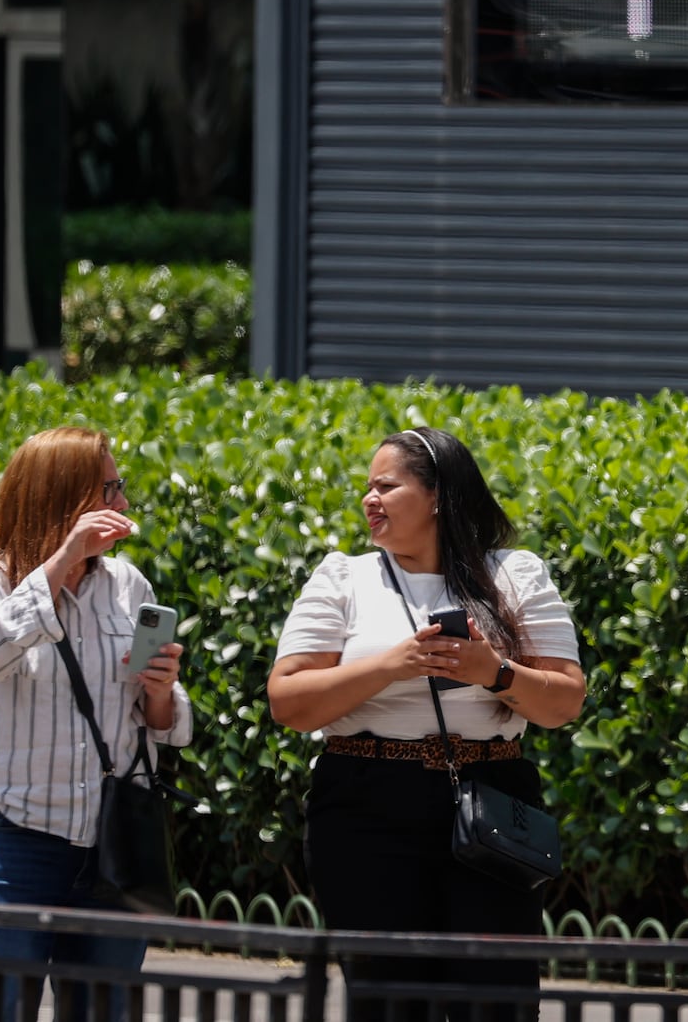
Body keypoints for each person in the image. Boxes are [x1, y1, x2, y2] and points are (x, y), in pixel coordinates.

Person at [268, 426, 586, 1022]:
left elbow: (565, 702)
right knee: (388, 1001)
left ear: (437, 495)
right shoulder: (344, 577)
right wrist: (392, 665)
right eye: (367, 488)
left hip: (490, 803)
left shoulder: (514, 573)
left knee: (498, 1002)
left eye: (386, 486)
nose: (370, 499)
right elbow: (288, 702)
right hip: (366, 807)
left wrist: (494, 673)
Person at [0, 427, 191, 1021]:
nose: (123, 504)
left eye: (120, 487)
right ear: (63, 497)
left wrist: (161, 690)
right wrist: (61, 560)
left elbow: (158, 723)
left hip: (108, 845)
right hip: (6, 839)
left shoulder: (129, 585)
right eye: (108, 489)